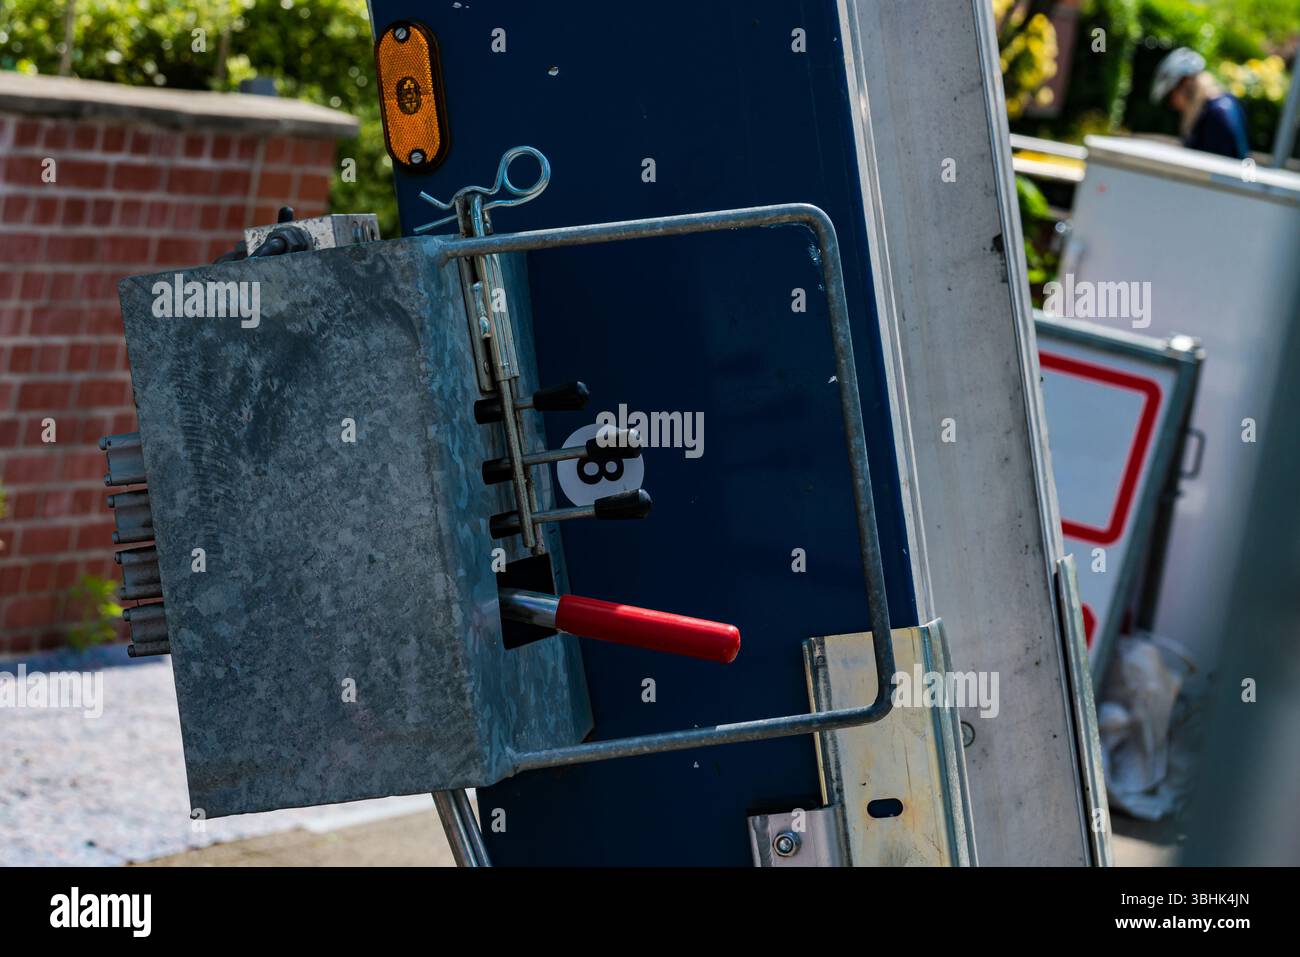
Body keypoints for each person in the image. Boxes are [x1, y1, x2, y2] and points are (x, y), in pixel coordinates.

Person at [1151, 47, 1251, 160]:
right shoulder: (1217, 107)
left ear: (1185, 84)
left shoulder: (1217, 113)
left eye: (1171, 95)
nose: (1173, 104)